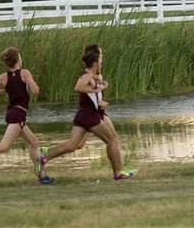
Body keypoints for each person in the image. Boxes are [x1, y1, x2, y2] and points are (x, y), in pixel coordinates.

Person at [39, 49, 136, 181]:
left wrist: (99, 101)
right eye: (100, 62)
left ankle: (46, 155)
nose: (101, 65)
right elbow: (78, 87)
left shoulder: (91, 76)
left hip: (84, 115)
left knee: (73, 145)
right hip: (89, 116)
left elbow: (88, 96)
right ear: (95, 64)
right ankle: (118, 172)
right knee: (112, 140)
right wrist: (97, 88)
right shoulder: (87, 75)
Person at [0, 47, 51, 184]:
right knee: (4, 146)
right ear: (18, 60)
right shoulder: (25, 73)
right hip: (18, 114)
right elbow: (36, 91)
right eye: (20, 57)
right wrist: (29, 86)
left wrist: (5, 91)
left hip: (13, 113)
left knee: (34, 143)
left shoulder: (3, 77)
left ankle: (41, 175)